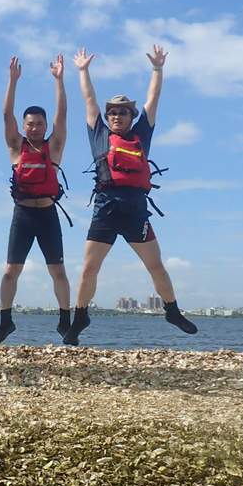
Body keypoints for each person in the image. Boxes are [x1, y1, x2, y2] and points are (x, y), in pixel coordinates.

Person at [64, 47, 197, 345]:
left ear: (130, 116)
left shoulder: (141, 135)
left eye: (123, 112)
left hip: (136, 209)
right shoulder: (99, 133)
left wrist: (157, 70)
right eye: (112, 112)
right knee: (89, 267)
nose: (116, 116)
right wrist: (83, 71)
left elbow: (153, 101)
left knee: (156, 265)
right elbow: (88, 100)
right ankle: (80, 317)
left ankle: (172, 310)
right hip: (106, 208)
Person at [0, 53, 72, 344]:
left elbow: (62, 115)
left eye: (39, 123)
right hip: (23, 215)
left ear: (45, 126)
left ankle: (66, 322)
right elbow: (5, 115)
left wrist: (59, 80)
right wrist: (12, 82)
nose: (35, 127)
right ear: (24, 126)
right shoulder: (16, 147)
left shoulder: (55, 147)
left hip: (47, 215)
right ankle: (5, 321)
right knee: (11, 270)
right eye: (30, 124)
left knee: (57, 271)